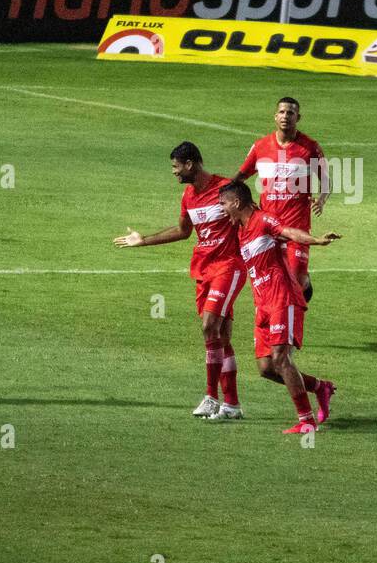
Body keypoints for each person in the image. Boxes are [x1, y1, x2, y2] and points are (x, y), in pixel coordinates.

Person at [114, 142, 245, 419]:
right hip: (204, 270)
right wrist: (144, 240)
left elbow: (251, 217)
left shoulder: (226, 189)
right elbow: (184, 231)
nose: (174, 172)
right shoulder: (188, 196)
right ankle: (231, 404)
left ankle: (211, 397)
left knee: (210, 325)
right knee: (220, 336)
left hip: (229, 267)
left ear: (190, 164)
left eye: (176, 167)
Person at [218, 180, 339, 434]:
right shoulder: (241, 232)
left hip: (282, 298)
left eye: (224, 204)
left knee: (281, 358)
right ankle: (320, 387)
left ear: (237, 202)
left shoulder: (263, 220)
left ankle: (306, 421)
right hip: (262, 305)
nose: (222, 209)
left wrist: (316, 240)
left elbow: (289, 232)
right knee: (266, 369)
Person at [233, 96, 328, 302]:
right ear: (275, 116)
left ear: (298, 117)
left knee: (293, 279)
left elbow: (326, 181)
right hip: (267, 228)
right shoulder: (260, 147)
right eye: (282, 112)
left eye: (291, 113)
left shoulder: (310, 147)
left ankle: (300, 292)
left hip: (297, 226)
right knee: (269, 282)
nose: (286, 116)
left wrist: (321, 199)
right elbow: (240, 177)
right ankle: (276, 326)